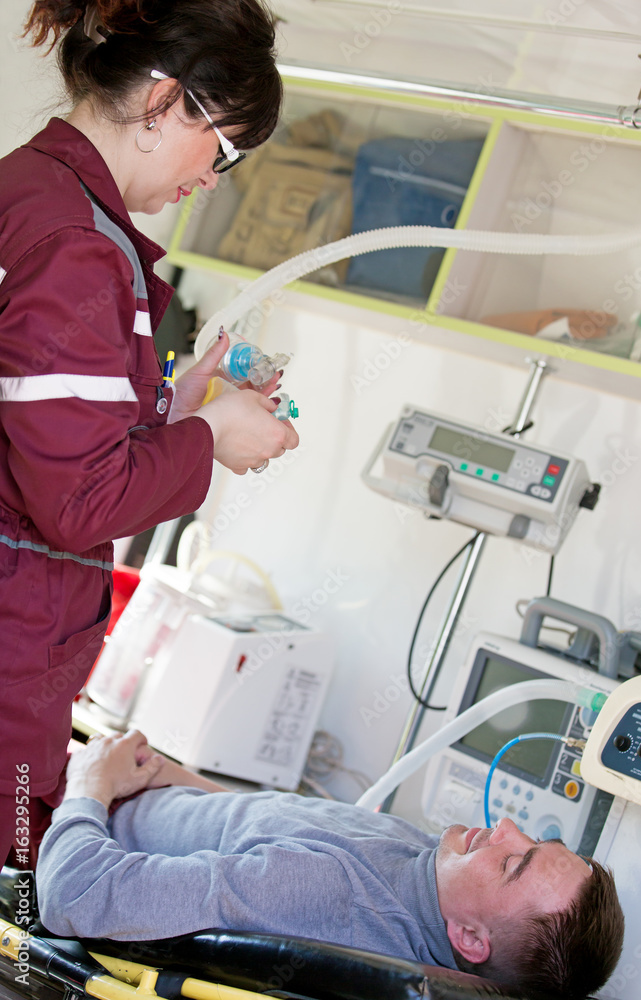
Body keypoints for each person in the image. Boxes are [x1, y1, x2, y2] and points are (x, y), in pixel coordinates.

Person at [0, 0, 299, 867]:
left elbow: (41, 436)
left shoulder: (27, 192)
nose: (212, 180)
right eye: (226, 150)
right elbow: (79, 498)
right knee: (17, 872)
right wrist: (211, 442)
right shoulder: (77, 245)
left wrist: (177, 405)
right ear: (166, 101)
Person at [36, 731, 625, 1000]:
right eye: (537, 839)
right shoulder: (428, 865)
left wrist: (91, 786)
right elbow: (265, 822)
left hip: (48, 829)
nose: (504, 829)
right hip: (122, 788)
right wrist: (170, 773)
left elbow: (72, 894)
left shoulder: (326, 895)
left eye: (513, 864)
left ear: (469, 938)